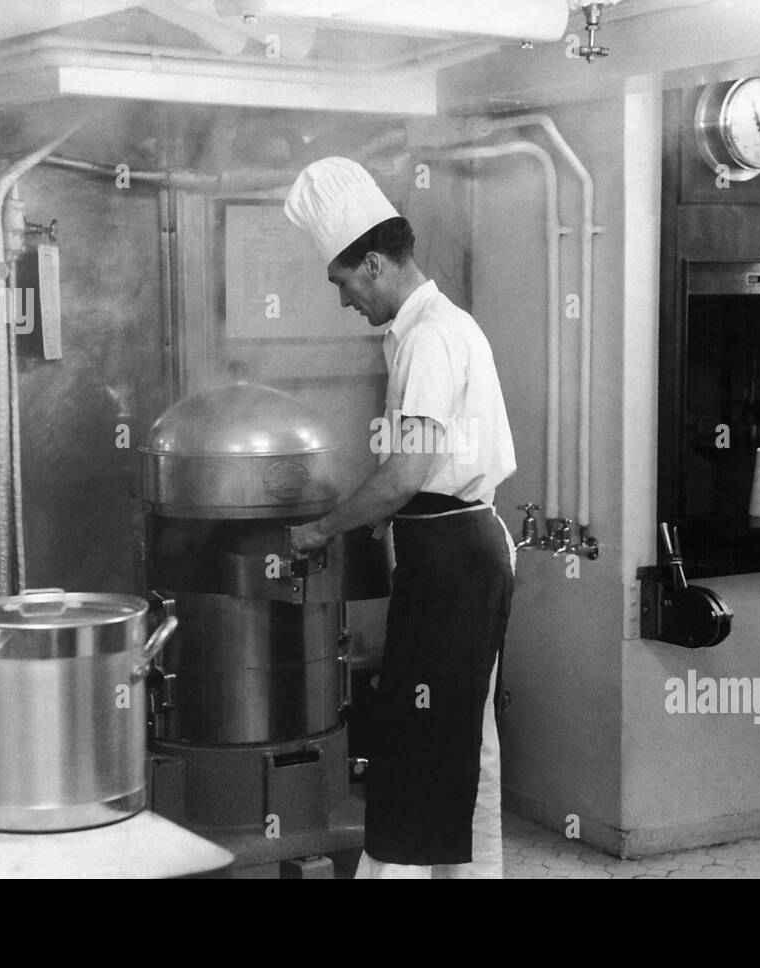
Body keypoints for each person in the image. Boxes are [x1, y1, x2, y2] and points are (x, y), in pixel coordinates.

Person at [284, 157, 517, 878]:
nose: (346, 300)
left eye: (345, 283)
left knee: (417, 744)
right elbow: (411, 478)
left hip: (454, 557)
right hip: (456, 546)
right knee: (459, 741)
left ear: (376, 263)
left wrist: (324, 528)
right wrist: (384, 516)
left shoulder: (429, 338)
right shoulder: (434, 329)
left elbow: (407, 474)